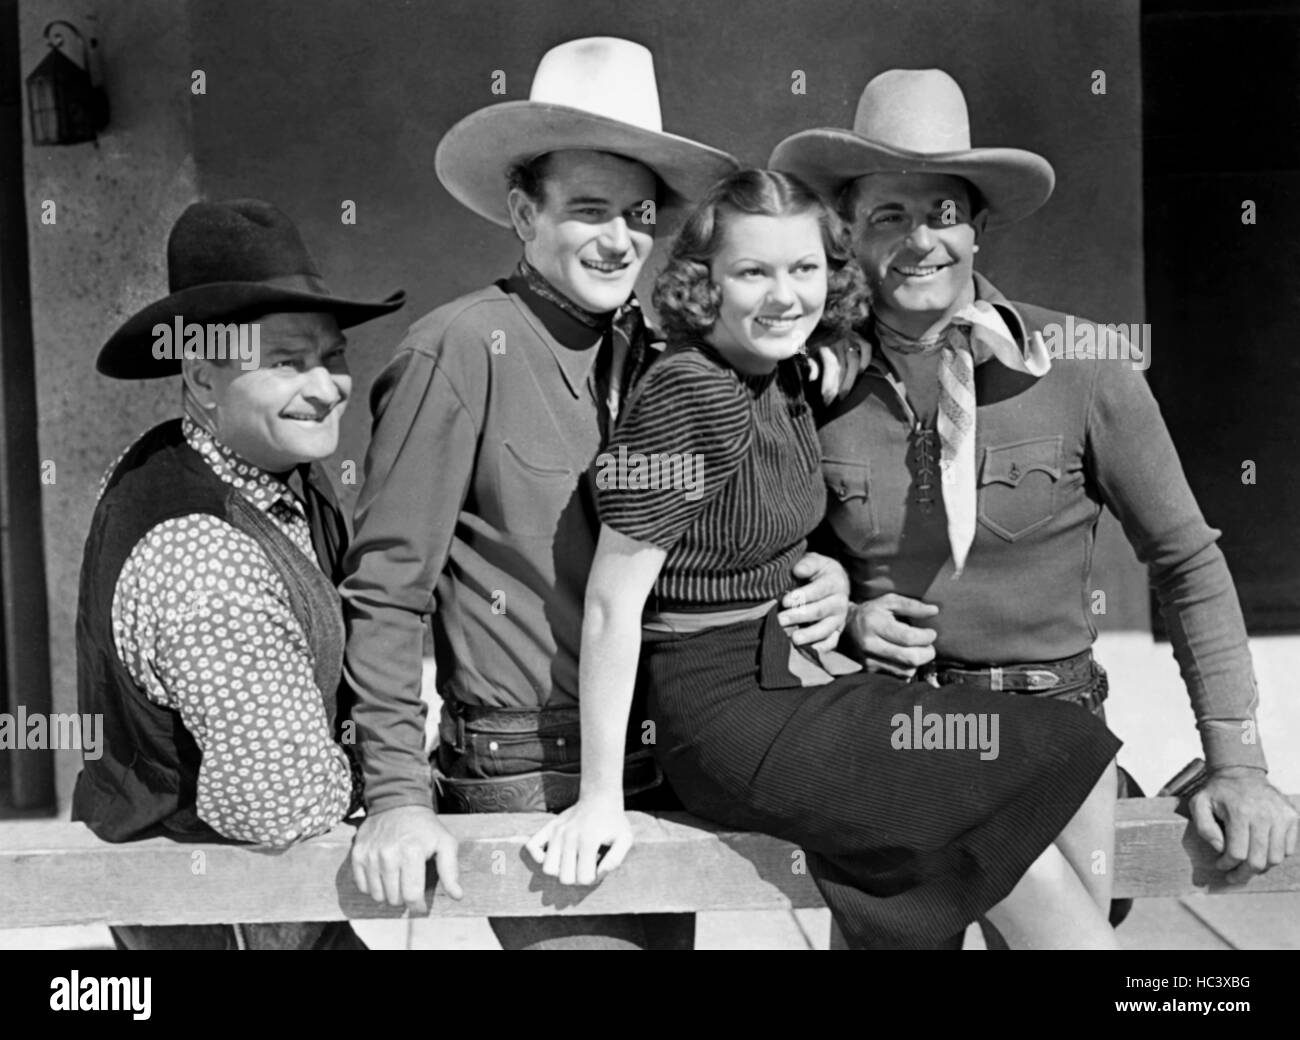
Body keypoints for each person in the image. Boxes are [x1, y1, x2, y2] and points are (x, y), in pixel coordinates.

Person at [526, 168, 1126, 950]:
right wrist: (600, 798)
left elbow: (773, 500)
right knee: (1007, 849)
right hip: (728, 720)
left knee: (1071, 745)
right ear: (706, 284)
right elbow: (613, 602)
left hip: (800, 686)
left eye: (804, 268)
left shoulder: (778, 375)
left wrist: (834, 579)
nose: (785, 296)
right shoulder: (686, 395)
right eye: (753, 272)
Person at [768, 68, 1299, 939]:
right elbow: (771, 561)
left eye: (942, 213)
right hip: (896, 737)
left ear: (978, 226)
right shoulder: (807, 383)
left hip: (1051, 733)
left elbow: (1187, 562)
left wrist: (1237, 759)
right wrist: (850, 618)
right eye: (888, 216)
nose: (919, 241)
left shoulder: (1082, 364)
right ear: (849, 235)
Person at [341, 37, 847, 950]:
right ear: (522, 212)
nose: (619, 240)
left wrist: (823, 576)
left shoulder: (662, 355)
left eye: (638, 214)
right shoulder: (459, 349)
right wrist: (396, 797)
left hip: (663, 750)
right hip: (530, 770)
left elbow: (717, 530)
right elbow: (386, 590)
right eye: (587, 210)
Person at [73, 198, 405, 950]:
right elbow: (277, 800)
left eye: (333, 356)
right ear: (201, 376)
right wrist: (393, 776)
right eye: (286, 362)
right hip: (222, 913)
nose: (326, 387)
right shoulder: (200, 547)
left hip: (275, 905)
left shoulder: (270, 472)